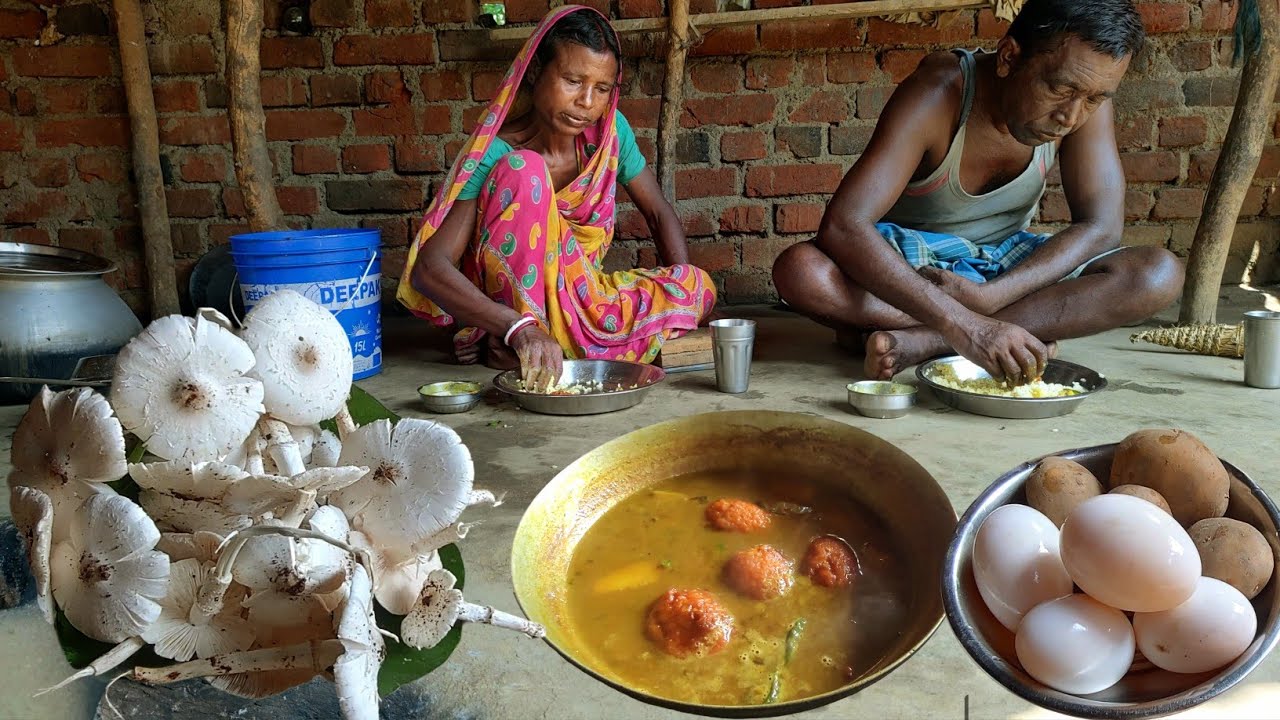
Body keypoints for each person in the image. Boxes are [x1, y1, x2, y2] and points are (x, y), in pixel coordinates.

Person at [771, 0, 1184, 384]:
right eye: (1061, 89)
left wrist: (990, 299)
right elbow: (844, 226)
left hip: (1005, 266)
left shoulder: (1083, 100)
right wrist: (968, 323)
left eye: (1094, 99)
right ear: (1008, 58)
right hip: (919, 269)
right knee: (801, 271)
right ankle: (993, 332)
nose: (1071, 116)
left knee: (1158, 274)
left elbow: (1102, 226)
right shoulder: (938, 93)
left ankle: (926, 343)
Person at [397, 5, 716, 390]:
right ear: (535, 72)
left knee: (697, 284)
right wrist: (513, 324)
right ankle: (528, 339)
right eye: (572, 80)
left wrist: (680, 295)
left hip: (585, 299)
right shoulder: (498, 155)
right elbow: (430, 268)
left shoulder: (608, 136)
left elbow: (659, 214)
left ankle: (544, 347)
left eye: (601, 88)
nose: (586, 101)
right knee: (525, 170)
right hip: (516, 312)